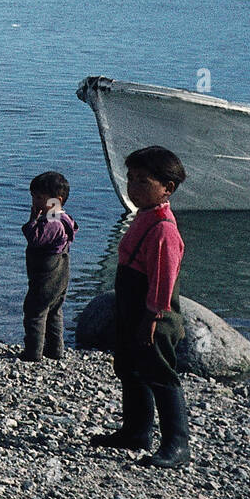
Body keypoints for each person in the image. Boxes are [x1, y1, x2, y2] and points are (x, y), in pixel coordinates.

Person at [91, 147, 189, 469]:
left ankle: (177, 444)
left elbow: (163, 280)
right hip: (133, 309)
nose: (133, 187)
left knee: (160, 374)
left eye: (142, 181)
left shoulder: (163, 229)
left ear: (167, 188)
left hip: (154, 316)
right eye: (130, 179)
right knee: (130, 369)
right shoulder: (143, 217)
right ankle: (136, 431)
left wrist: (153, 316)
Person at [20, 171, 77, 362]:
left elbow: (35, 238)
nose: (34, 201)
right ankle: (55, 350)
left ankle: (33, 353)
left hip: (47, 275)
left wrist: (32, 219)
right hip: (61, 275)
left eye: (39, 198)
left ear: (56, 201)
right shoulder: (63, 219)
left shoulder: (52, 221)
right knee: (53, 311)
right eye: (33, 197)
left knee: (35, 312)